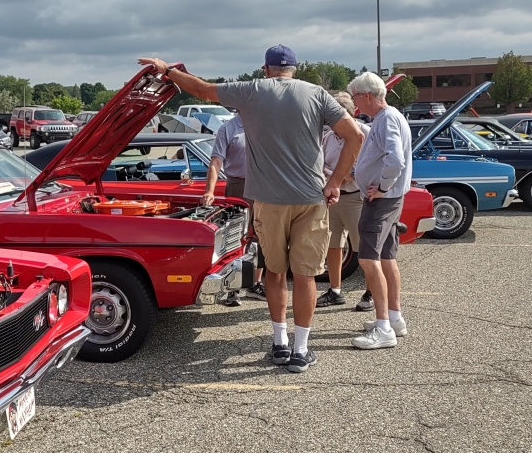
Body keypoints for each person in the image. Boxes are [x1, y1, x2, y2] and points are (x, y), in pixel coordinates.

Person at [138, 47, 363, 373]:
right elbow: (354, 136)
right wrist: (336, 183)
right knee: (305, 275)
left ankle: (279, 343)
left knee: (273, 272)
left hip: (268, 201)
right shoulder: (316, 94)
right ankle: (301, 350)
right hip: (311, 199)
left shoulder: (252, 90)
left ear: (266, 69)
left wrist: (167, 69)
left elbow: (201, 89)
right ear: (295, 70)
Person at [348, 72, 412, 350]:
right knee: (386, 257)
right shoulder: (388, 117)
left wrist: (383, 187)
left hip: (381, 201)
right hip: (388, 200)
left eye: (356, 97)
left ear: (368, 96)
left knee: (368, 260)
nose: (354, 103)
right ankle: (394, 319)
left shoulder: (386, 119)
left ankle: (384, 326)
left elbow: (395, 159)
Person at [201, 114, 264, 305]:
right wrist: (209, 191)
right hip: (238, 185)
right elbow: (216, 161)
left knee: (261, 235)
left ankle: (255, 283)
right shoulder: (228, 129)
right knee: (236, 237)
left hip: (263, 185)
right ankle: (232, 289)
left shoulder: (264, 123)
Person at [317, 91, 369, 308]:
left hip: (355, 197)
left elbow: (372, 162)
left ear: (350, 114)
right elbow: (320, 163)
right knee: (333, 245)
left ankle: (371, 291)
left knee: (363, 248)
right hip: (332, 198)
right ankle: (335, 290)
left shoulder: (364, 132)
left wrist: (351, 174)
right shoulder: (328, 137)